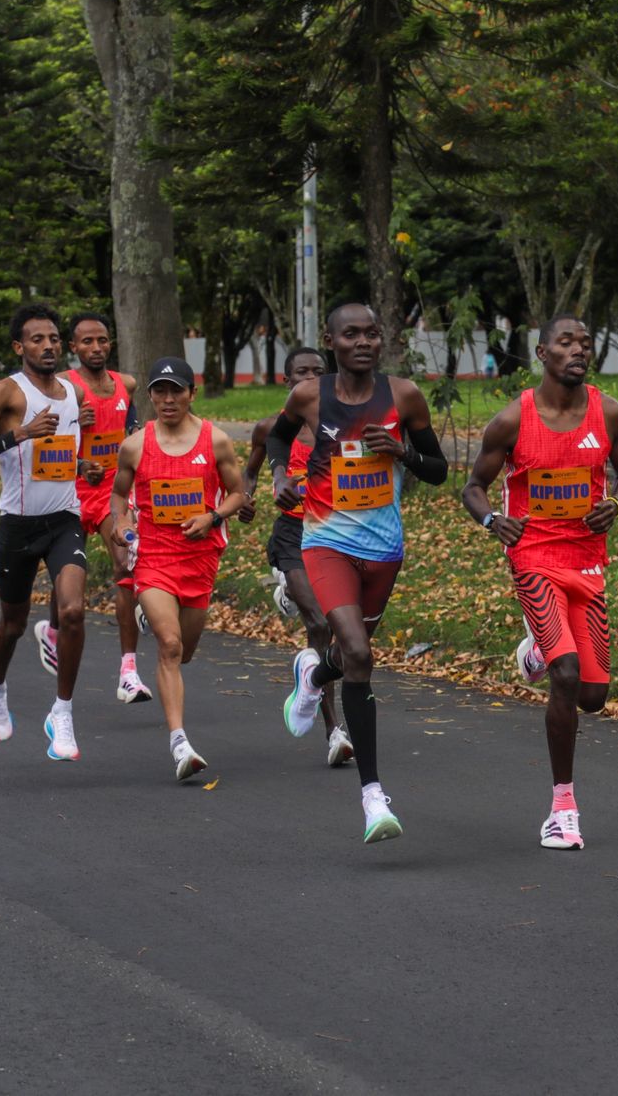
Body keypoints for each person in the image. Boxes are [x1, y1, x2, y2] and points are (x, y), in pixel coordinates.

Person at [265, 303, 448, 844]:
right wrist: (279, 476)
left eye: (372, 332)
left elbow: (438, 470)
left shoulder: (404, 396)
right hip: (325, 542)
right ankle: (373, 796)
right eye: (351, 334)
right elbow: (278, 439)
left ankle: (315, 676)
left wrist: (405, 454)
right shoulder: (309, 396)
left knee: (348, 655)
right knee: (362, 655)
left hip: (384, 549)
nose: (363, 341)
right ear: (332, 341)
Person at [461, 314, 618, 850]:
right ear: (542, 353)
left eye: (585, 342)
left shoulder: (609, 413)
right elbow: (473, 486)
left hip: (587, 563)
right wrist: (494, 521)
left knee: (593, 695)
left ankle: (534, 654)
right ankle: (563, 808)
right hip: (533, 557)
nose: (578, 350)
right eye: (566, 342)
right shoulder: (513, 419)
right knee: (566, 673)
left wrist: (615, 503)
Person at [0, 304, 94, 762]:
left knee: (72, 611)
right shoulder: (4, 392)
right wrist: (21, 434)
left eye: (54, 338)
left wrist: (82, 466)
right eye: (37, 339)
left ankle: (62, 712)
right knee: (12, 625)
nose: (49, 345)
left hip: (63, 519)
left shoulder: (71, 393)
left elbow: (57, 456)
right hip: (17, 526)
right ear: (19, 347)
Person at [109, 357, 248, 782]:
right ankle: (180, 744)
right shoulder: (136, 444)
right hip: (153, 557)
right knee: (168, 645)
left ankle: (153, 617)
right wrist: (122, 523)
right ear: (149, 395)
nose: (168, 400)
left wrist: (213, 517)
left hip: (199, 559)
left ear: (191, 394)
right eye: (160, 391)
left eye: (176, 391)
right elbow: (118, 495)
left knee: (184, 651)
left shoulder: (216, 442)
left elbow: (239, 493)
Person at [27, 312, 154, 703]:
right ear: (73, 347)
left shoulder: (124, 383)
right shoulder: (64, 384)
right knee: (69, 577)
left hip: (111, 493)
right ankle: (52, 628)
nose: (96, 348)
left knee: (124, 565)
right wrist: (72, 423)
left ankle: (129, 672)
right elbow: (40, 438)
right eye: (87, 342)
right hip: (68, 491)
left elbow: (129, 423)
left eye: (102, 340)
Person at [242, 346, 354, 768]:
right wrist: (249, 499)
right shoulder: (272, 428)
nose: (310, 378)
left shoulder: (346, 426)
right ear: (287, 382)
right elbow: (250, 472)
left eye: (319, 372)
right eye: (301, 373)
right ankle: (334, 729)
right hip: (293, 535)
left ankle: (289, 593)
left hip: (338, 534)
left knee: (348, 634)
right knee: (321, 625)